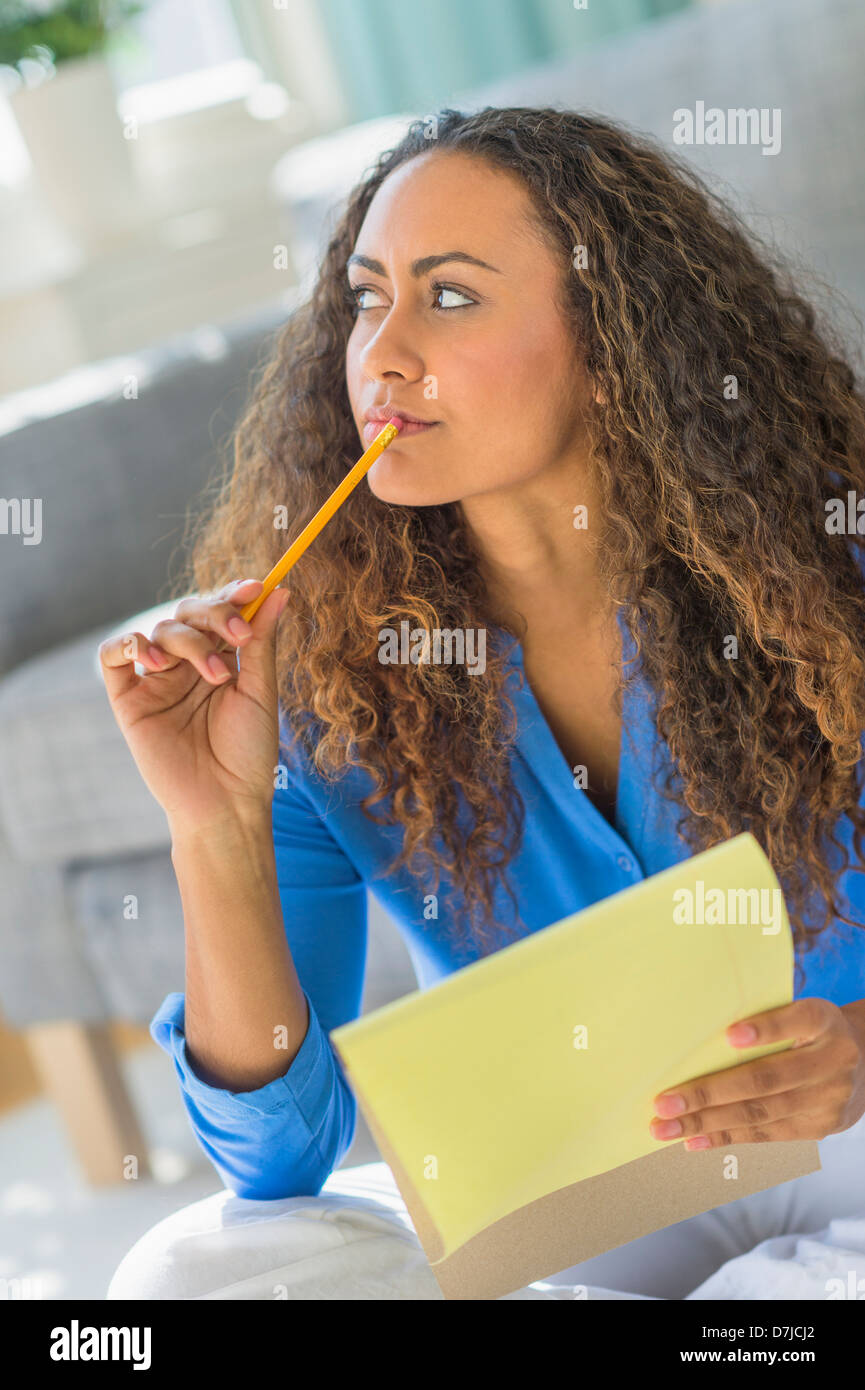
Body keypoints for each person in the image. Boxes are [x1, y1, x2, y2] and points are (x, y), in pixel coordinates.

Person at [101, 107, 865, 1300]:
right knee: (193, 1273)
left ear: (614, 340)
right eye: (365, 298)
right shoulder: (323, 676)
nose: (381, 353)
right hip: (587, 1204)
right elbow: (280, 1158)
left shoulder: (829, 574)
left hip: (853, 1159)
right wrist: (217, 823)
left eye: (449, 296)